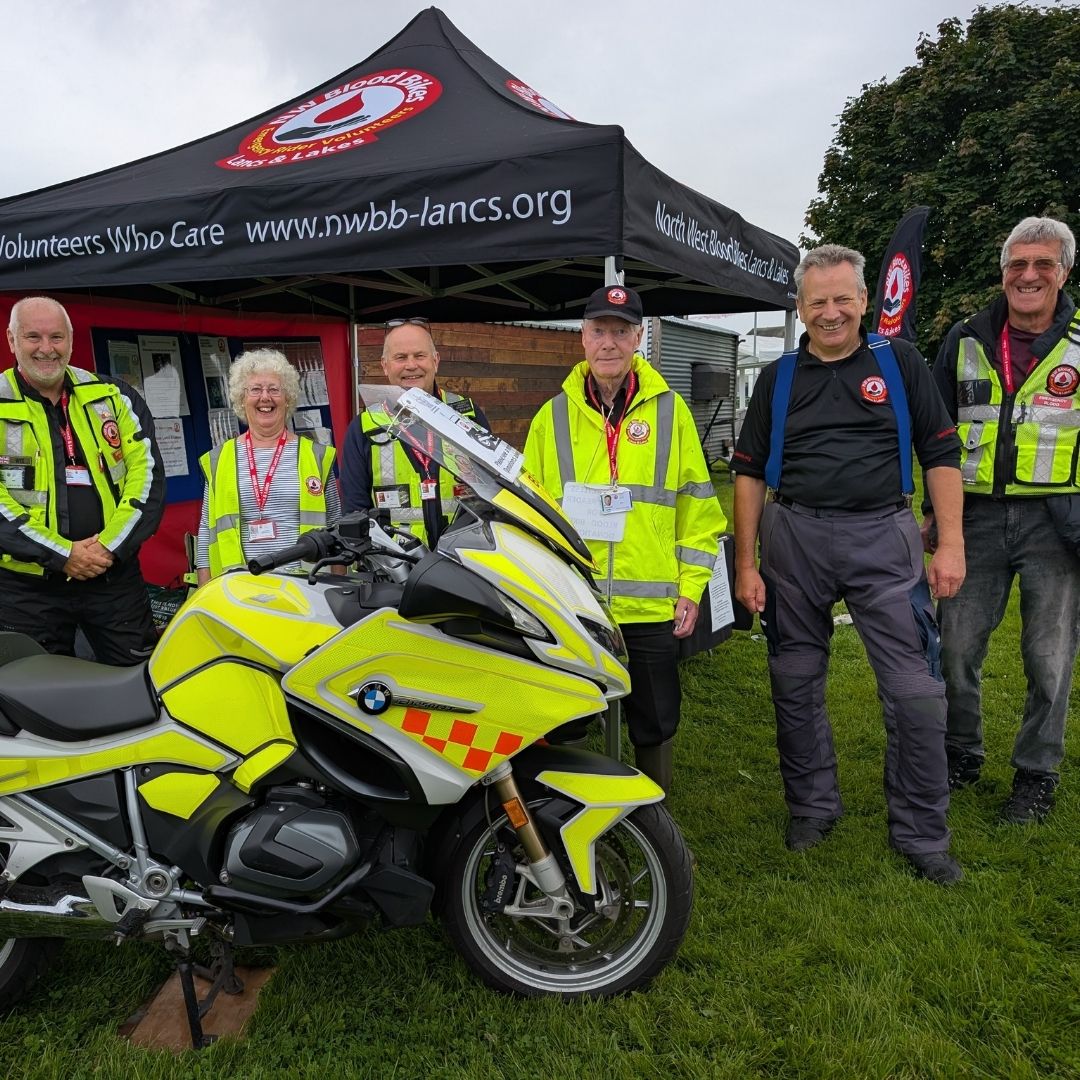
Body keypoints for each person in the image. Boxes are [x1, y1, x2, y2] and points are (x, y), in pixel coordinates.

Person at [732, 245, 966, 885]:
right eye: (817, 303)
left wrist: (951, 544)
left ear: (864, 301)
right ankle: (811, 807)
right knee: (795, 681)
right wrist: (745, 564)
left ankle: (921, 831)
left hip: (884, 539)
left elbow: (942, 454)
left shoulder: (899, 364)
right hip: (794, 539)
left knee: (917, 693)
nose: (830, 313)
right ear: (800, 308)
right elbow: (748, 473)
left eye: (842, 300)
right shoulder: (778, 377)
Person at [523, 284, 725, 789]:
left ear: (638, 338)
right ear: (582, 339)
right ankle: (568, 814)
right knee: (566, 714)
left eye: (620, 331)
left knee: (655, 720)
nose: (608, 343)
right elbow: (528, 511)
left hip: (651, 606)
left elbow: (698, 507)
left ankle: (655, 819)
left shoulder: (671, 411)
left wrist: (690, 587)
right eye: (598, 331)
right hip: (575, 602)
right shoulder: (552, 417)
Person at [927, 216, 1080, 824]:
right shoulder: (964, 339)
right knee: (956, 649)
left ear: (1064, 271)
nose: (1029, 275)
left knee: (1050, 657)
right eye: (1017, 264)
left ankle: (1035, 773)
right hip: (974, 517)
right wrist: (935, 520)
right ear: (1003, 272)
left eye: (1043, 264)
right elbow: (934, 437)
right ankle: (961, 754)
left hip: (1058, 522)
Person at [0, 296, 164, 665]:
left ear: (71, 341)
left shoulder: (115, 396)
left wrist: (106, 547)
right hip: (27, 591)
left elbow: (146, 478)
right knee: (36, 700)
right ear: (12, 341)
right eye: (33, 337)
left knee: (139, 682)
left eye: (57, 337)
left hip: (114, 581)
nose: (47, 349)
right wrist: (63, 555)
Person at [196, 349, 341, 583]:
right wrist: (204, 590)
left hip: (307, 586)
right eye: (255, 389)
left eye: (274, 389)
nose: (265, 397)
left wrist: (337, 588)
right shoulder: (219, 459)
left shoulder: (315, 455)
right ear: (242, 399)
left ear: (288, 398)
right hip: (238, 585)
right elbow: (206, 530)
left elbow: (335, 524)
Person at [341, 318, 487, 547]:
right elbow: (354, 511)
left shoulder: (468, 416)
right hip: (398, 568)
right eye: (400, 357)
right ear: (384, 365)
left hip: (465, 562)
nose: (411, 365)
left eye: (420, 355)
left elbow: (493, 494)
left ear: (435, 360)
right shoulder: (363, 428)